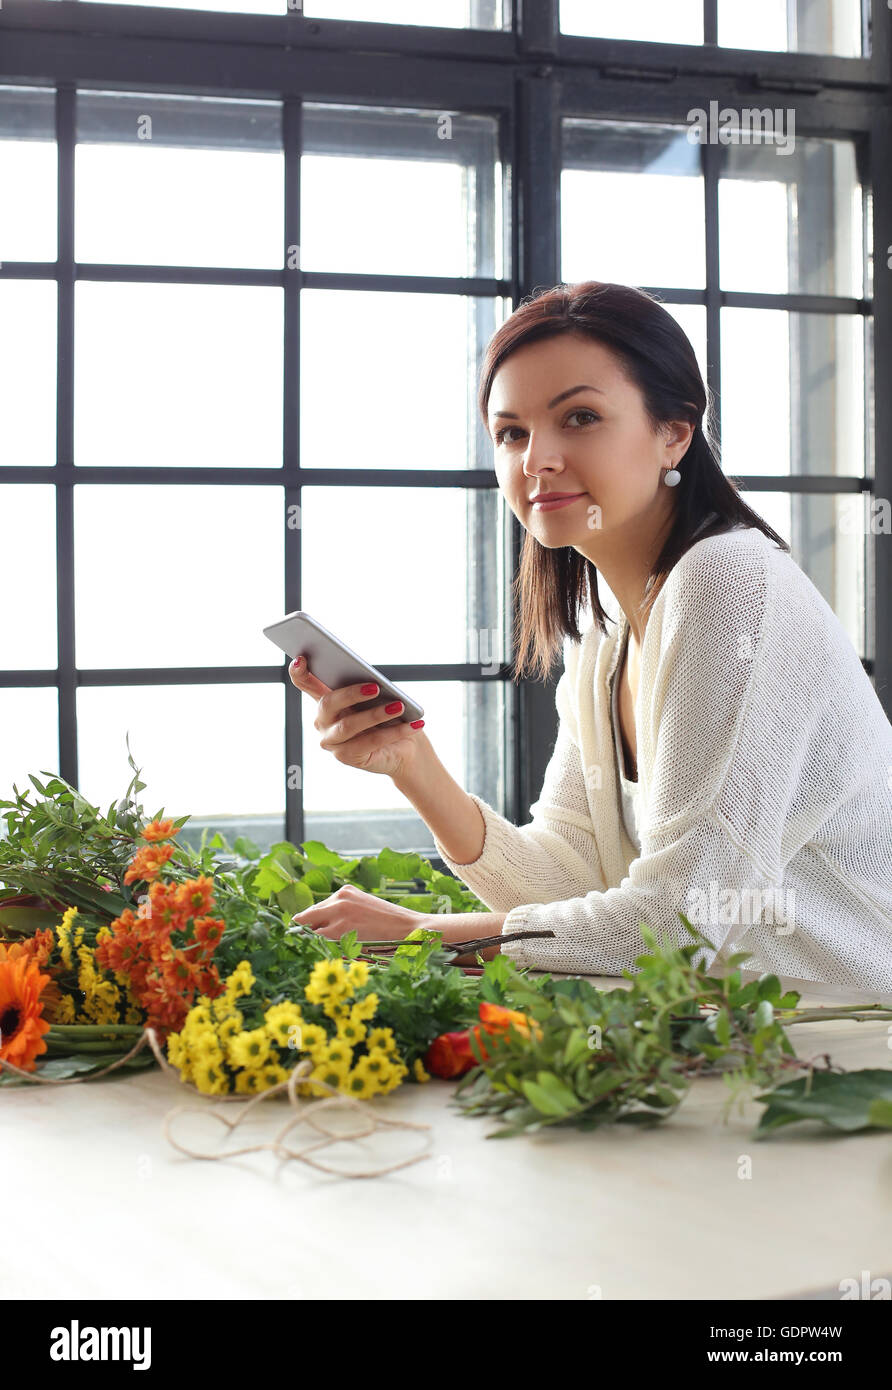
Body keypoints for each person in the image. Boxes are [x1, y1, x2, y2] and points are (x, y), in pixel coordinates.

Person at [288, 281, 892, 993]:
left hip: (855, 1038)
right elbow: (565, 877)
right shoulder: (605, 629)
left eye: (579, 417)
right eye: (511, 432)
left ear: (675, 430)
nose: (536, 459)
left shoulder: (729, 583)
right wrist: (413, 766)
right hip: (728, 1032)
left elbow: (679, 924)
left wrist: (421, 938)